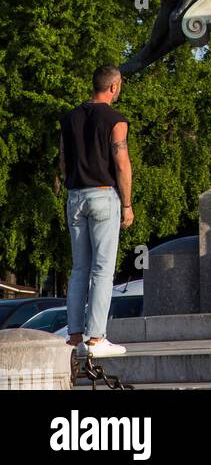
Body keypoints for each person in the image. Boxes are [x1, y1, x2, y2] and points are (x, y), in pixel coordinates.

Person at [59, 65, 134, 359]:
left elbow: (64, 161)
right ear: (114, 87)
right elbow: (122, 162)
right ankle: (96, 339)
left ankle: (74, 335)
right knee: (103, 270)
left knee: (79, 269)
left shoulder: (69, 118)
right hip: (104, 195)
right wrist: (127, 204)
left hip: (75, 196)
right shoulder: (116, 120)